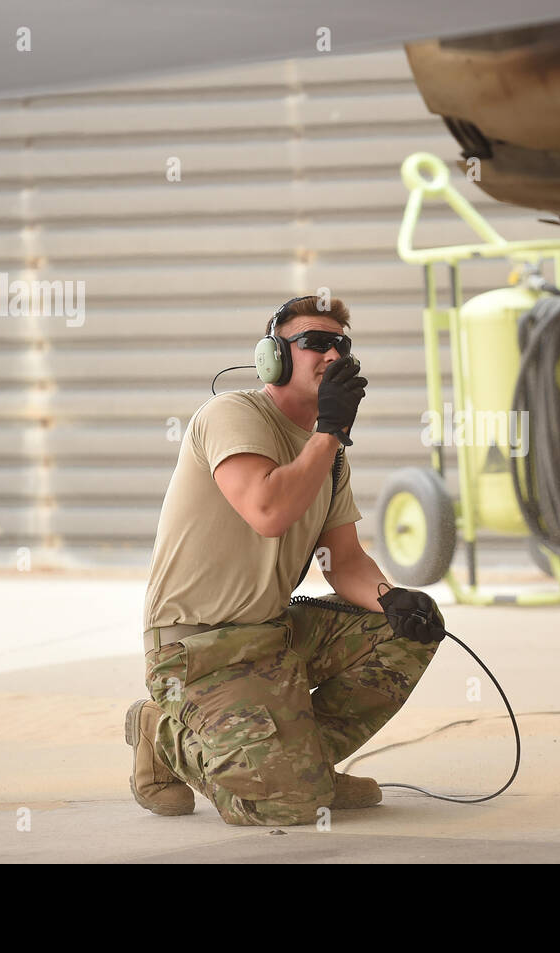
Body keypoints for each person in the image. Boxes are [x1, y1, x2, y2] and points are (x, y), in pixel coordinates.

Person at [126, 294, 446, 826]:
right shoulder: (232, 414)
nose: (331, 354)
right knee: (286, 807)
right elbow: (268, 509)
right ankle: (161, 731)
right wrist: (329, 432)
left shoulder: (330, 454)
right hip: (196, 650)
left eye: (340, 345)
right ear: (273, 356)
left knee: (404, 631)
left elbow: (343, 562)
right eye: (314, 342)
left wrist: (394, 599)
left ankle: (306, 764)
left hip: (273, 634)